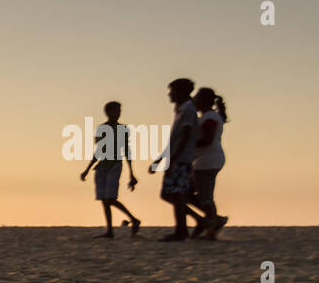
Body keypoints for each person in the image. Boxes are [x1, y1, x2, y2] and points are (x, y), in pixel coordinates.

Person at [149, 78, 202, 241]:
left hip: (181, 159)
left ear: (181, 92)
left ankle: (182, 230)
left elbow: (185, 136)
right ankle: (197, 221)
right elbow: (175, 139)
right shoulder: (181, 110)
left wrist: (172, 160)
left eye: (172, 91)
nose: (170, 94)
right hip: (177, 157)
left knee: (175, 194)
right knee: (169, 194)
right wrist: (160, 159)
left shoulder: (187, 110)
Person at [80, 100, 141, 237]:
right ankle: (110, 230)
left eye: (119, 111)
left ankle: (133, 219)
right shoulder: (101, 129)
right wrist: (88, 169)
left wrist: (132, 173)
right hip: (102, 166)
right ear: (108, 112)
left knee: (110, 198)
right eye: (115, 111)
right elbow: (99, 151)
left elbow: (126, 150)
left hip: (115, 165)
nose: (118, 114)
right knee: (104, 200)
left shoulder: (122, 129)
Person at [189, 87, 229, 240]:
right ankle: (213, 219)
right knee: (187, 191)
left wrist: (188, 144)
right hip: (205, 160)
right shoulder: (209, 116)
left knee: (206, 196)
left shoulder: (210, 117)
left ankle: (212, 226)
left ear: (203, 101)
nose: (194, 100)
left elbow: (207, 140)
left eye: (197, 98)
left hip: (208, 161)